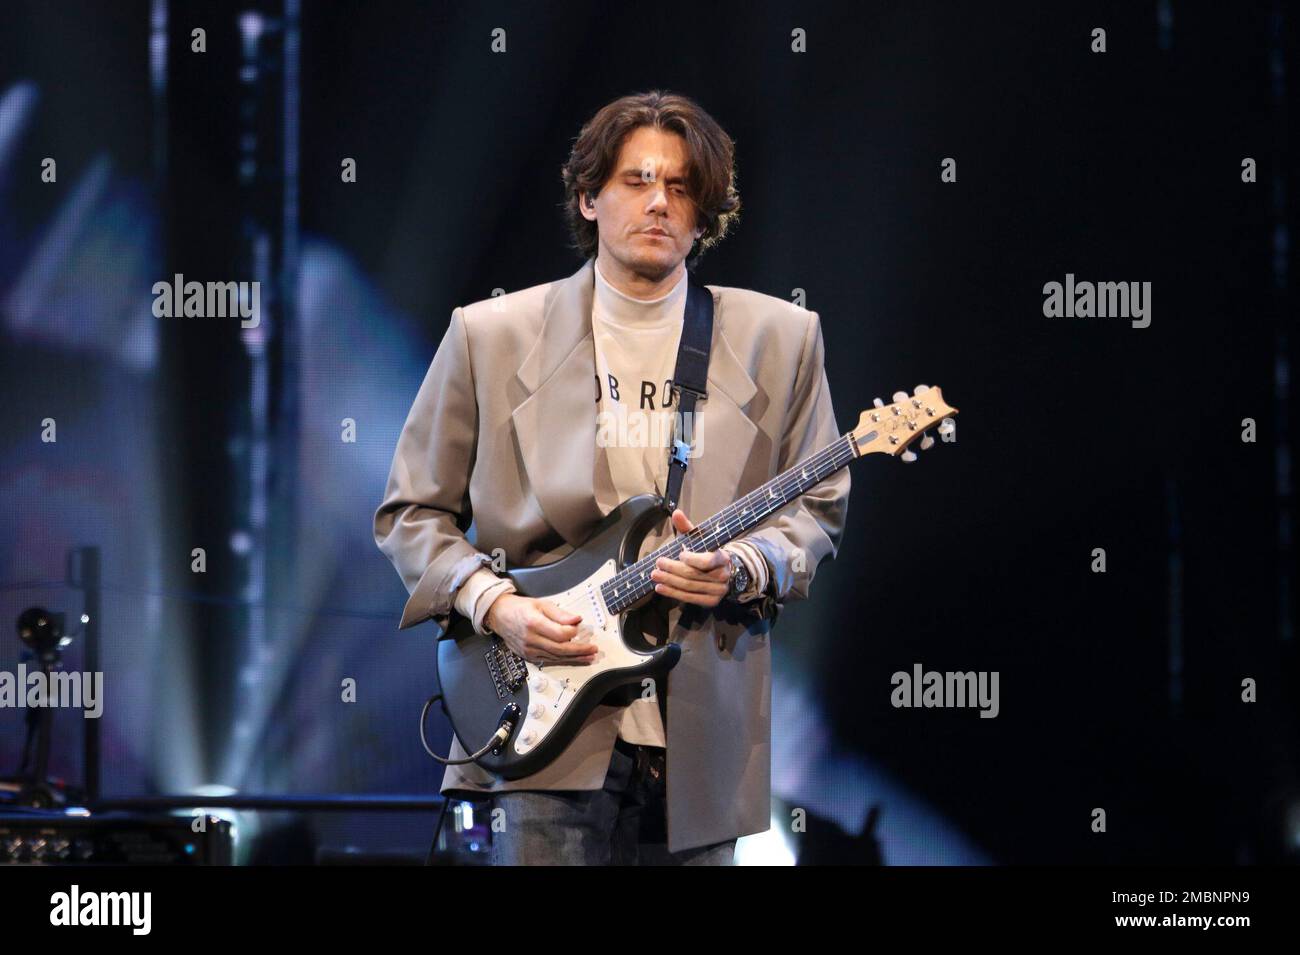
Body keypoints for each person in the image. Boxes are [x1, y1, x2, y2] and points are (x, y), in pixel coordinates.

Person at [374, 90, 849, 865]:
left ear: (707, 212)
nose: (659, 201)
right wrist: (495, 605)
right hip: (536, 722)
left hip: (702, 732)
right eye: (636, 180)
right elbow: (410, 512)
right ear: (589, 196)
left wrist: (746, 564)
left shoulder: (782, 339)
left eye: (683, 185)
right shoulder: (491, 336)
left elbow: (818, 510)